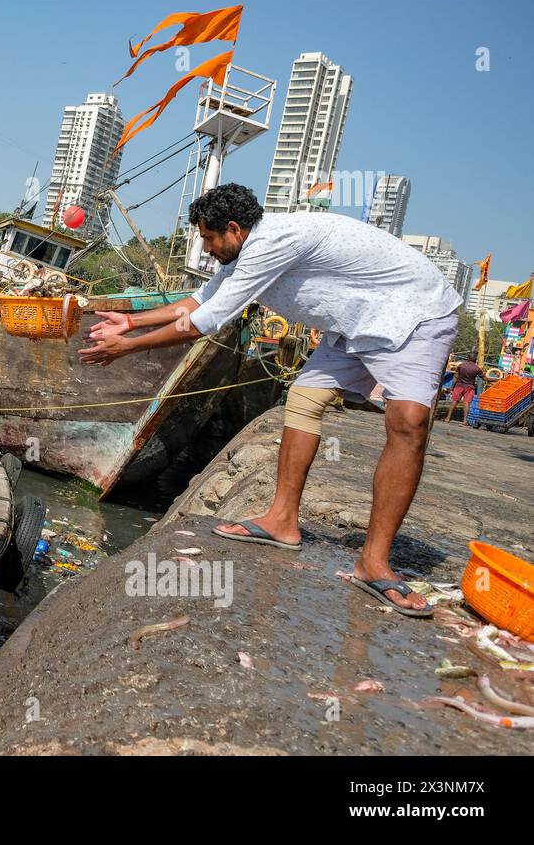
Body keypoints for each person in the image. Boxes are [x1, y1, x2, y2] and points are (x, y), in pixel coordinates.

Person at [79, 183, 462, 617]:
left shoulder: (273, 243)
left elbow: (205, 321)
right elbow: (200, 299)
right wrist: (130, 321)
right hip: (349, 325)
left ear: (235, 229)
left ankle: (373, 561)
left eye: (208, 238)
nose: (205, 249)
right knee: (303, 400)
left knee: (408, 423)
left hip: (413, 312)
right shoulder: (244, 250)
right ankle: (281, 520)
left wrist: (125, 347)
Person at [445, 354, 482, 423]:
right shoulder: (477, 368)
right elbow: (484, 378)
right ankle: (465, 420)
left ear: (468, 358)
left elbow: (455, 377)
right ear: (475, 360)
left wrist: (452, 387)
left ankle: (448, 418)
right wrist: (495, 380)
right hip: (470, 388)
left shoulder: (461, 366)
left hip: (459, 386)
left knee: (455, 401)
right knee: (467, 403)